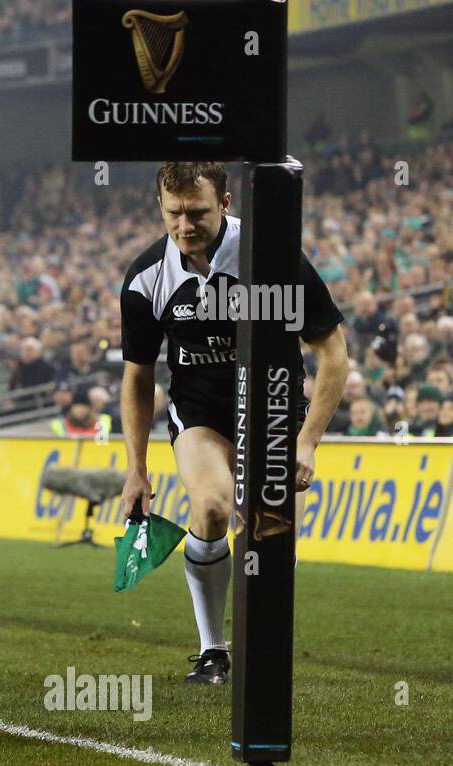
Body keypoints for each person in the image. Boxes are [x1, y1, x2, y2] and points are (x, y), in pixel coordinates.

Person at [118, 161, 349, 686]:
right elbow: (137, 377)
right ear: (160, 206)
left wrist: (307, 442)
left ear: (224, 204)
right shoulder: (146, 278)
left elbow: (333, 354)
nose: (184, 225)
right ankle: (212, 650)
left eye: (196, 212)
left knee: (269, 534)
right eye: (173, 212)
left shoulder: (271, 257)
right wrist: (137, 468)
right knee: (213, 506)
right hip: (200, 412)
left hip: (271, 410)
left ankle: (264, 647)